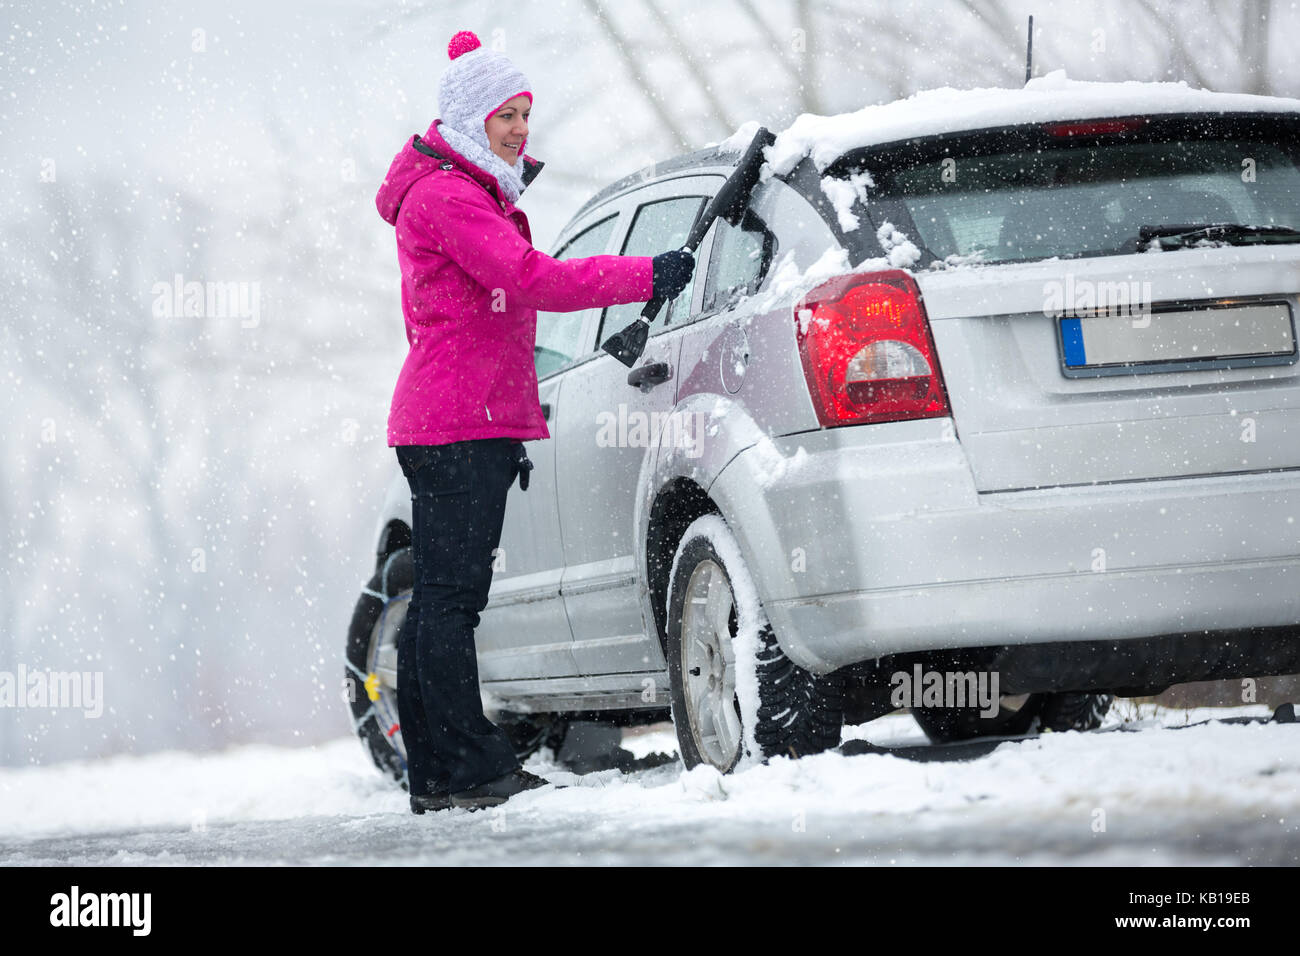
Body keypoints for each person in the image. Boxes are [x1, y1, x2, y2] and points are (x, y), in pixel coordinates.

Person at [374, 29, 694, 813]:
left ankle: (440, 774)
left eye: (525, 113)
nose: (520, 128)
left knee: (443, 602)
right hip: (455, 422)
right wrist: (646, 271)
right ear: (468, 119)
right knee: (451, 603)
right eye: (505, 114)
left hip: (458, 417)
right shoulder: (449, 196)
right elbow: (529, 278)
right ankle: (470, 768)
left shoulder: (462, 190)